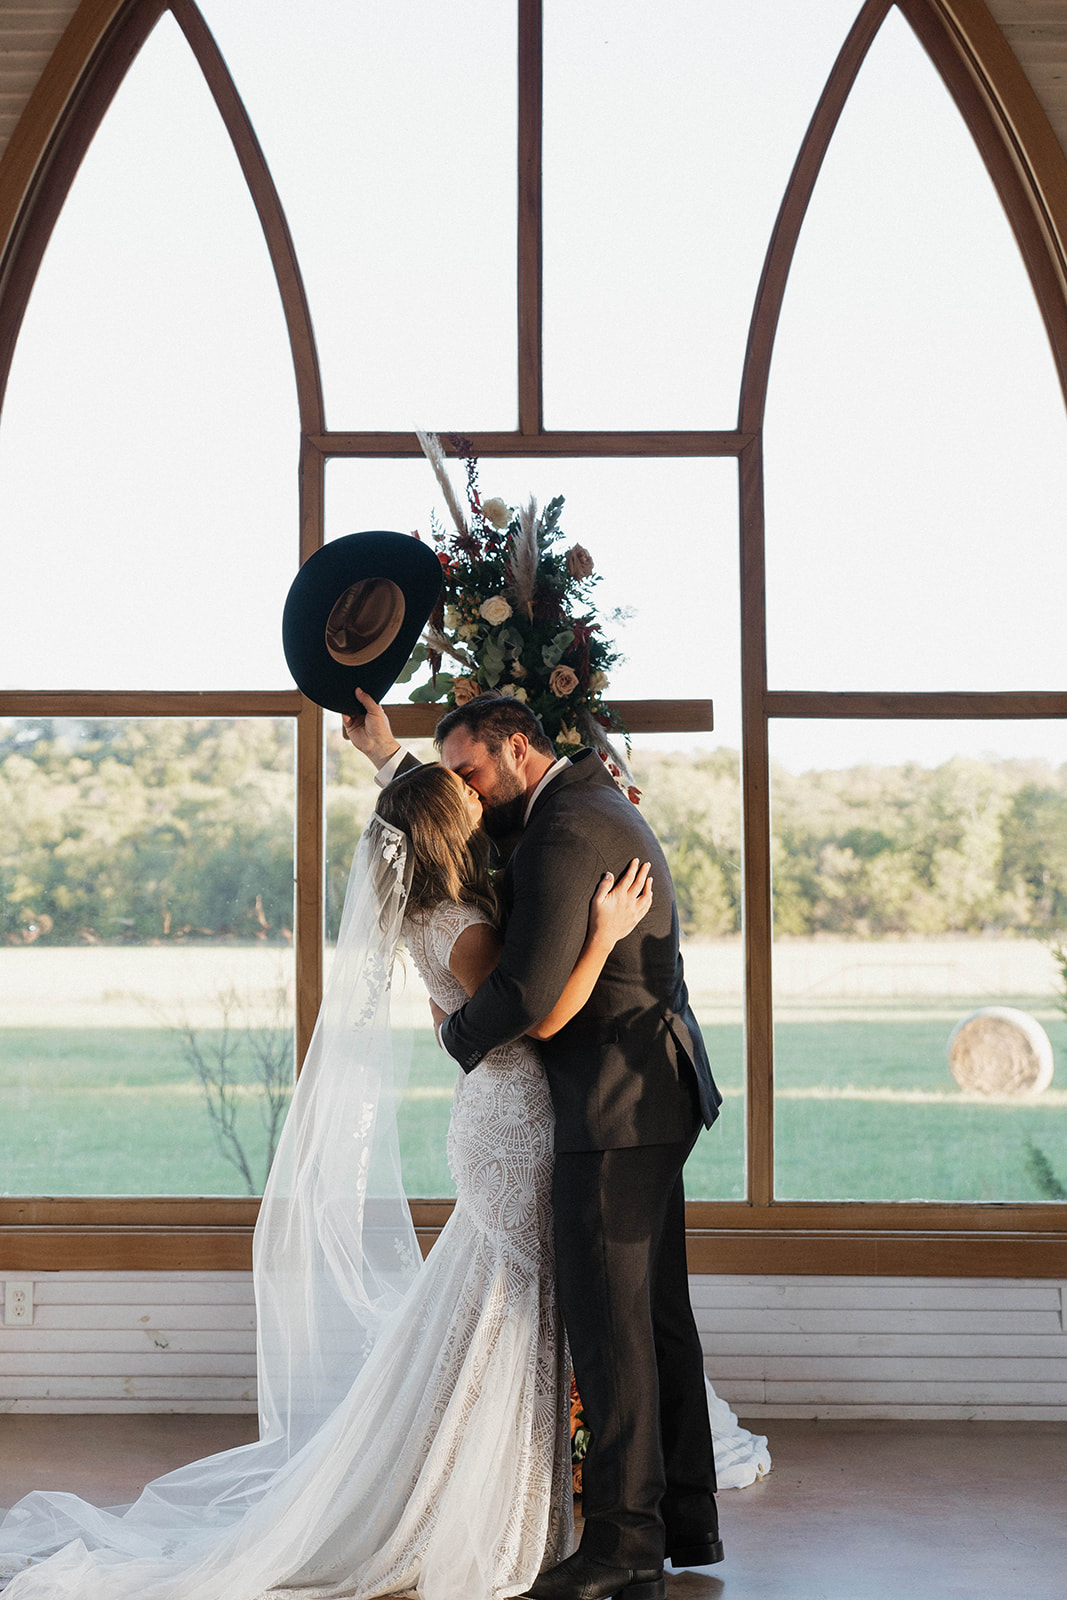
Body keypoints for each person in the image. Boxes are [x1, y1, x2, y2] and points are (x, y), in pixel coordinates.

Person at [0, 765, 653, 1600]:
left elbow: (448, 1025)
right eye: (468, 802)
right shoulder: (465, 930)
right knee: (507, 1307)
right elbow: (544, 1018)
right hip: (515, 1124)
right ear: (448, 829)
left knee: (493, 1304)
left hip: (491, 1112)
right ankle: (469, 1511)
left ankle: (471, 1495)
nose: (485, 809)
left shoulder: (428, 919)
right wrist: (602, 933)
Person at [345, 690, 727, 1600]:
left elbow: (524, 999)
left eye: (471, 769)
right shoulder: (570, 804)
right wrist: (390, 760)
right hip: (645, 1095)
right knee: (654, 1317)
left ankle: (623, 1549)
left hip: (612, 1102)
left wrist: (452, 1034)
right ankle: (681, 1520)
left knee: (612, 1329)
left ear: (517, 746)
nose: (467, 790)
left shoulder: (565, 831)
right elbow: (442, 826)